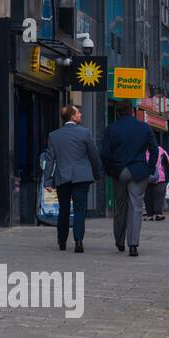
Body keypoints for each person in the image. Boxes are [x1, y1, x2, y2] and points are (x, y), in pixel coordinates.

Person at [45, 105, 104, 252]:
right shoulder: (85, 133)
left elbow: (50, 160)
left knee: (63, 210)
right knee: (79, 210)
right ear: (72, 116)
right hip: (82, 177)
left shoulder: (54, 135)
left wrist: (47, 181)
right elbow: (94, 155)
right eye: (78, 113)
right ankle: (78, 241)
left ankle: (62, 241)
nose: (81, 114)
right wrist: (97, 174)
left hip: (62, 177)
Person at [101, 110, 158, 256]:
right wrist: (149, 169)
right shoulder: (144, 127)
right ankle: (133, 244)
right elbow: (154, 150)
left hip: (119, 171)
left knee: (120, 207)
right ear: (132, 112)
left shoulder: (111, 129)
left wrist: (110, 170)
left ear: (119, 114)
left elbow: (105, 153)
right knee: (136, 207)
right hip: (138, 171)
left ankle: (119, 241)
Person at [147, 144, 169, 221]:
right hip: (160, 177)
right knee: (159, 196)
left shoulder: (142, 151)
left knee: (148, 196)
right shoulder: (162, 151)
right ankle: (158, 214)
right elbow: (168, 163)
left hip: (147, 178)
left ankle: (150, 215)